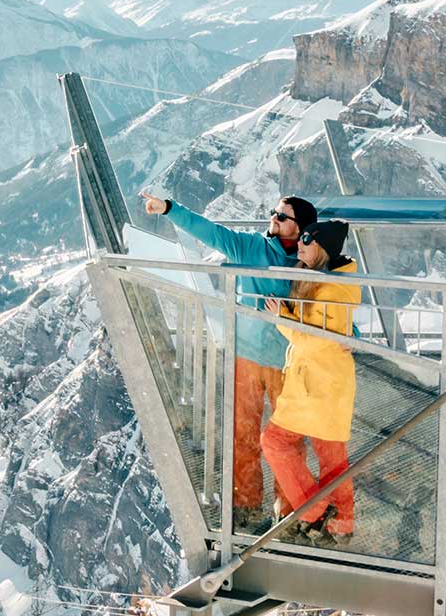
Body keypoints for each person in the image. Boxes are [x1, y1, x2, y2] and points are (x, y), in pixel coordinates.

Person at [138, 191, 321, 532]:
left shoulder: (311, 261)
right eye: (274, 212)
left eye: (282, 216)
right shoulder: (251, 247)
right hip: (247, 356)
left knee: (289, 439)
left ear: (299, 228)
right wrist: (169, 208)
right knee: (242, 433)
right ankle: (246, 504)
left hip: (289, 361)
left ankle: (290, 508)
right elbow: (210, 232)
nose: (273, 218)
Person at [264, 218, 360, 541]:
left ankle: (315, 512)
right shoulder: (326, 283)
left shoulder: (332, 291)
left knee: (275, 442)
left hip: (318, 384)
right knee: (331, 456)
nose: (300, 244)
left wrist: (283, 318)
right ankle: (341, 523)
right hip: (324, 381)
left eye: (307, 239)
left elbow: (318, 341)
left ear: (323, 248)